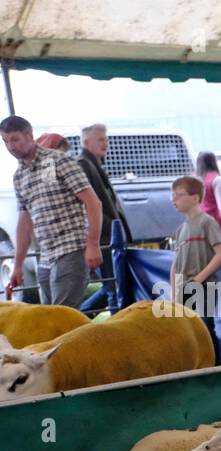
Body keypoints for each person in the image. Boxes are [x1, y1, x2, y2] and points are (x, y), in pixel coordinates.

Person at [1, 115, 102, 307]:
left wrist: (93, 244)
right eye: (5, 141)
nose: (11, 146)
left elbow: (93, 202)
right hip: (45, 255)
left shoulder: (58, 161)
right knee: (49, 316)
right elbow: (24, 220)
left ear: (29, 135)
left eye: (15, 139)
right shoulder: (20, 175)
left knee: (60, 317)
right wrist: (18, 265)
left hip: (71, 247)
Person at [169, 175, 221, 357]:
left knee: (205, 329)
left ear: (195, 198)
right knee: (188, 331)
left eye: (179, 195)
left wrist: (198, 279)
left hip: (204, 285)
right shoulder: (181, 230)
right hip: (185, 286)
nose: (174, 200)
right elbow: (176, 264)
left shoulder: (207, 222)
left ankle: (216, 369)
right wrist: (175, 291)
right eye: (173, 196)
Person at [78, 123, 133, 312]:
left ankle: (81, 318)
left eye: (106, 139)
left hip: (107, 234)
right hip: (102, 236)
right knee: (113, 288)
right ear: (87, 142)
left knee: (111, 287)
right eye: (101, 139)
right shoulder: (84, 164)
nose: (106, 143)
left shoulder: (92, 164)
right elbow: (88, 205)